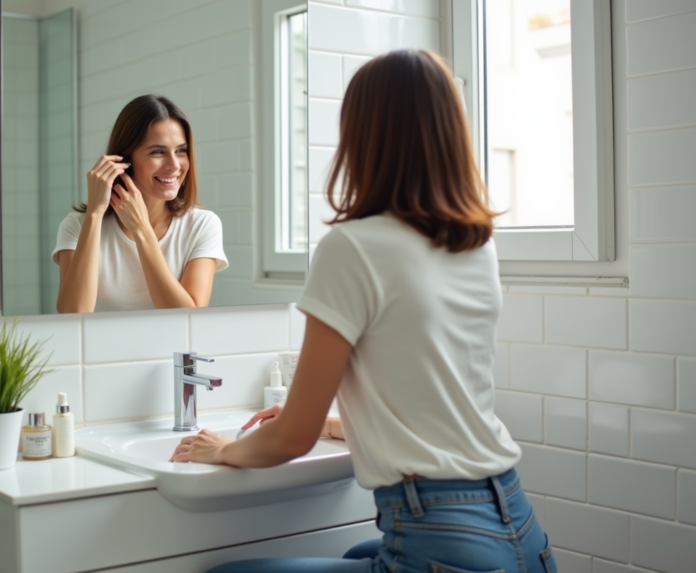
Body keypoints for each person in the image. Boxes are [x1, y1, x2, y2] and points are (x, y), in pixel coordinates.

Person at [170, 50, 557, 573]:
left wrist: (221, 451)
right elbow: (426, 394)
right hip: (518, 528)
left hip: (440, 537)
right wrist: (336, 423)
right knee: (356, 552)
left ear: (364, 134)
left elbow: (291, 439)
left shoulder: (351, 247)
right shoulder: (475, 242)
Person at [53, 95, 228, 313]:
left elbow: (188, 318)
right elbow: (73, 313)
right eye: (158, 152)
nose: (174, 165)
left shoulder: (203, 225)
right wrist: (94, 215)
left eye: (181, 151)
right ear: (125, 160)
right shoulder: (77, 226)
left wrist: (142, 230)